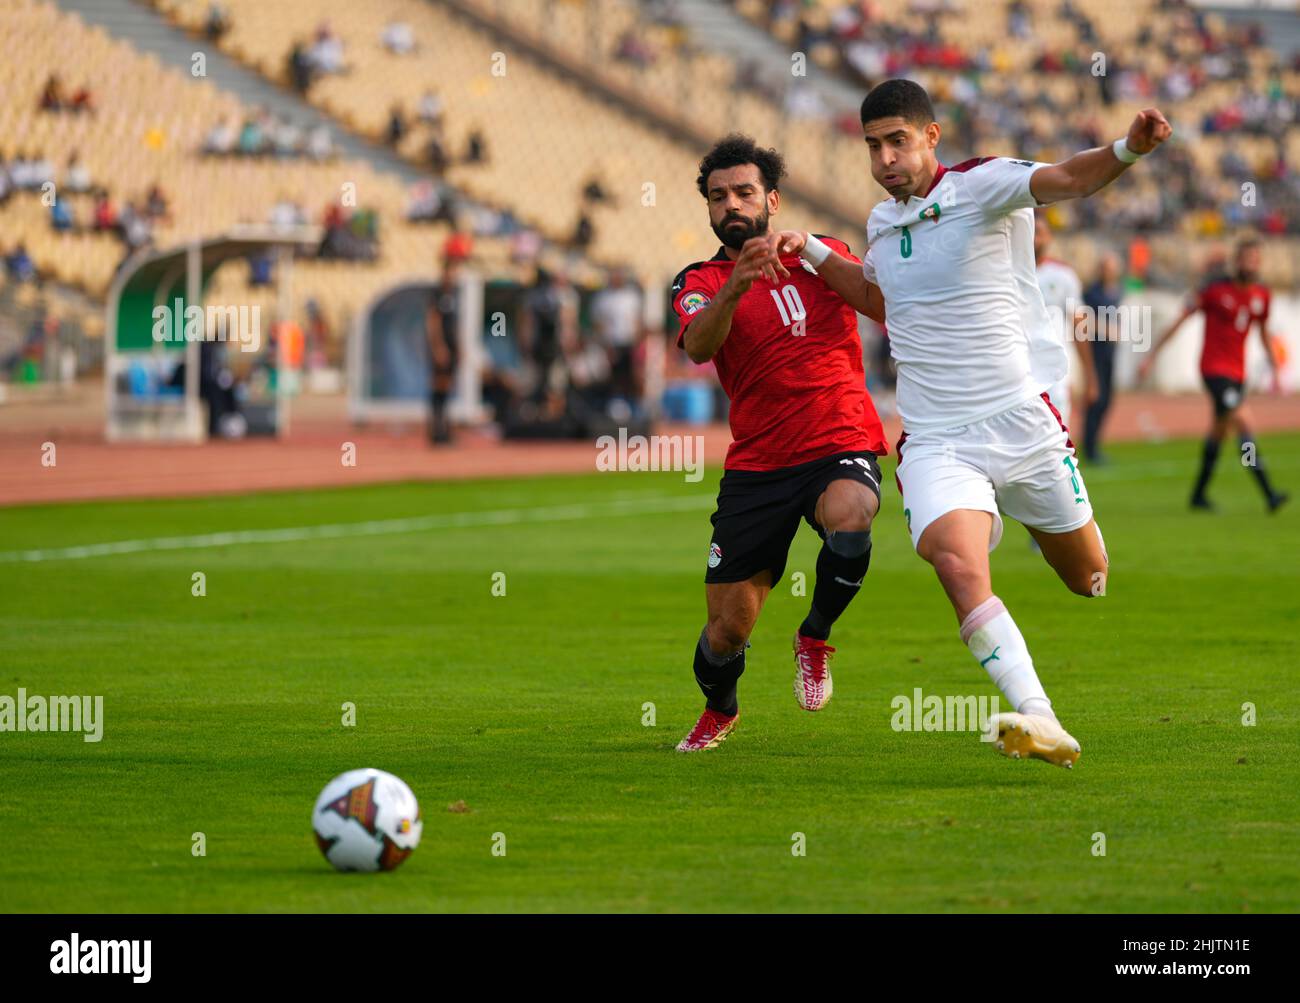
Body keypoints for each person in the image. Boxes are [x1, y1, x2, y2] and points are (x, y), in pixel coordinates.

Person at [768, 79, 1172, 768]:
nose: (886, 157)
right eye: (873, 145)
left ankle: (1033, 517)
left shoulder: (984, 184)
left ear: (931, 136)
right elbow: (878, 297)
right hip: (937, 437)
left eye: (898, 140)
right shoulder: (880, 223)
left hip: (1022, 420)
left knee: (1088, 577)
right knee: (956, 561)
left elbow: (1071, 177)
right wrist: (812, 251)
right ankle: (1040, 716)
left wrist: (1129, 150)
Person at [672, 135, 889, 752]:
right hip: (759, 464)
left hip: (837, 436)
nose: (731, 205)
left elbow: (880, 305)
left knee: (853, 516)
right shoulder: (700, 279)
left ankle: (815, 636)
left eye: (744, 192)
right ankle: (722, 708)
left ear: (772, 199)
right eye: (718, 197)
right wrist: (736, 285)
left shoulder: (824, 256)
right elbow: (697, 347)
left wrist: (819, 254)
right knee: (726, 632)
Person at [1139, 239, 1287, 512]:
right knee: (1244, 421)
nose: (1250, 264)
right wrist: (1151, 356)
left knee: (1219, 432)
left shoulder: (1261, 296)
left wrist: (1275, 368)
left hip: (1238, 374)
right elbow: (1181, 320)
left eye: (1255, 259)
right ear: (1236, 261)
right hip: (1214, 370)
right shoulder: (1215, 290)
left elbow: (1264, 333)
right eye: (1246, 258)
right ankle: (1269, 494)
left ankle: (1198, 496)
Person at [1034, 215, 1094, 431]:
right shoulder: (1005, 273)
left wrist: (1090, 376)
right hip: (1018, 374)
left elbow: (1080, 328)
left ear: (1049, 237)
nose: (1034, 238)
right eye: (1029, 231)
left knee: (1058, 440)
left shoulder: (1063, 276)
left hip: (1055, 376)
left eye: (1038, 232)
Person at [1080, 251, 1124, 462]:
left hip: (1110, 353)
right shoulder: (1092, 294)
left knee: (1107, 399)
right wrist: (1106, 329)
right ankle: (1089, 447)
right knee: (1095, 398)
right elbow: (1083, 319)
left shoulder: (1116, 292)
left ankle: (1095, 443)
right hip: (1095, 351)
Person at [426, 258, 462, 444]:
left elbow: (455, 325)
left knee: (447, 390)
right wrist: (438, 347)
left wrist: (460, 347)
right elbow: (433, 322)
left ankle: (445, 430)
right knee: (439, 389)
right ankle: (436, 430)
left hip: (452, 347)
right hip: (442, 349)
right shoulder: (438, 294)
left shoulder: (454, 295)